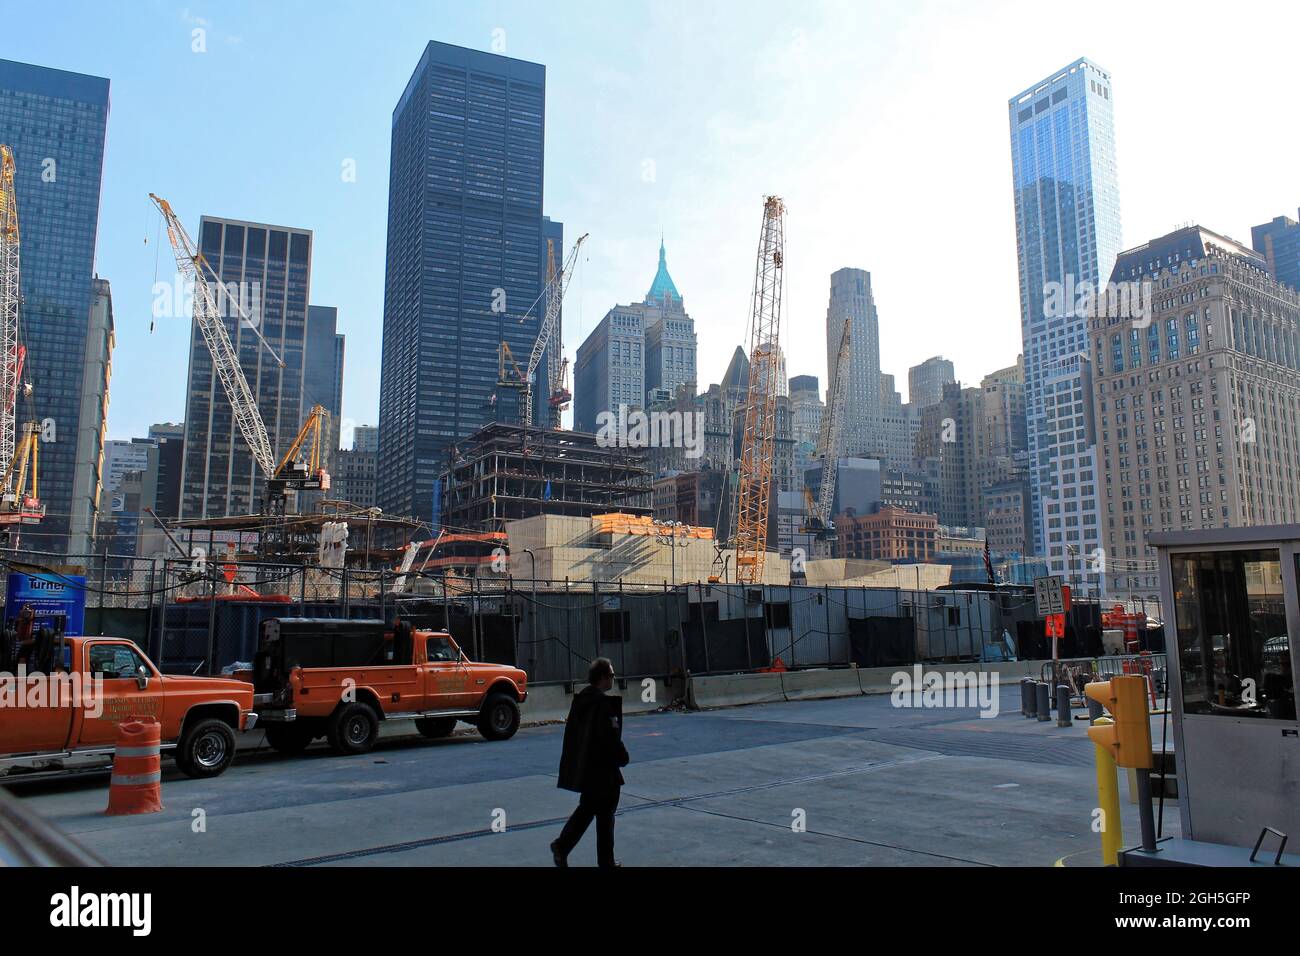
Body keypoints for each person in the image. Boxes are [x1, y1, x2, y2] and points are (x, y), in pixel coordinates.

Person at [551, 657, 629, 868]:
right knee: (605, 816)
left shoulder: (582, 702)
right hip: (604, 771)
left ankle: (563, 846)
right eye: (611, 675)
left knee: (587, 810)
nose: (613, 678)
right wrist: (623, 757)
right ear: (603, 678)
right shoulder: (603, 705)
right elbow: (610, 738)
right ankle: (604, 861)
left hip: (587, 768)